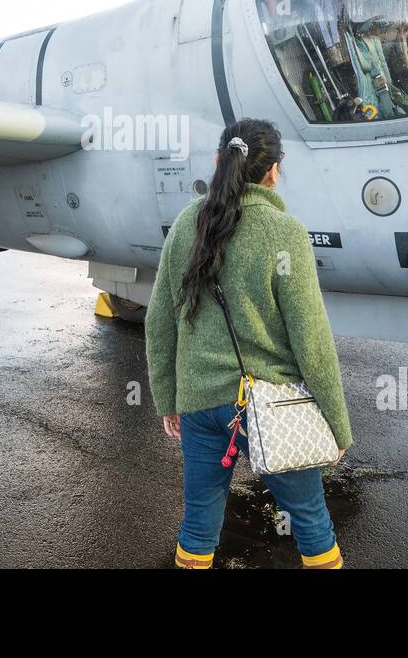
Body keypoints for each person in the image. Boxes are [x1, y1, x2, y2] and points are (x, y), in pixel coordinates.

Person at [145, 117, 353, 569]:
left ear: (219, 162)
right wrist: (338, 425)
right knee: (310, 518)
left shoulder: (186, 224)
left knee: (199, 521)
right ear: (274, 171)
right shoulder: (285, 233)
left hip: (200, 403)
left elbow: (160, 319)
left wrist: (168, 399)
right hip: (272, 405)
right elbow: (311, 340)